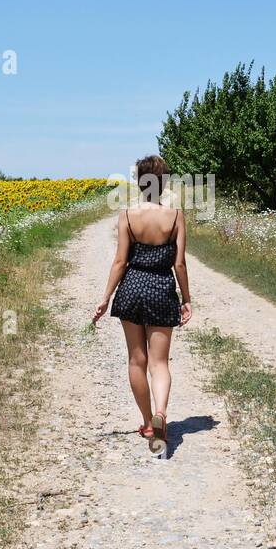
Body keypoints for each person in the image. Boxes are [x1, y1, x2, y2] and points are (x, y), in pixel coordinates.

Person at [92, 155, 192, 453]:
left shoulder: (127, 215)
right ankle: (161, 413)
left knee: (137, 360)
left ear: (140, 181)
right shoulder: (175, 216)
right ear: (164, 183)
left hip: (132, 288)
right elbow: (180, 264)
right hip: (162, 288)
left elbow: (120, 261)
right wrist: (186, 300)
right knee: (159, 363)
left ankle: (148, 423)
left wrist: (105, 297)